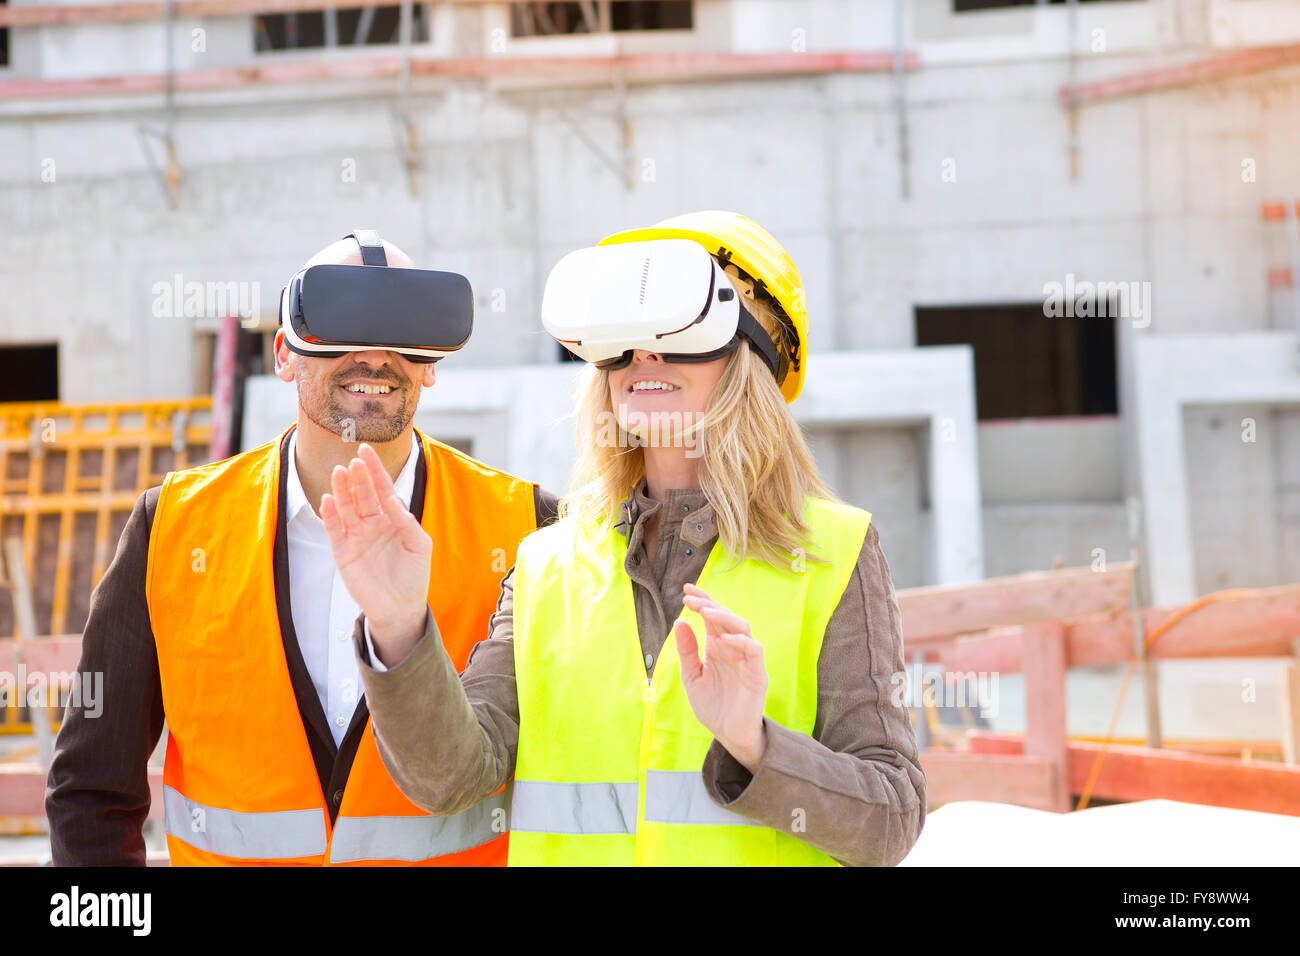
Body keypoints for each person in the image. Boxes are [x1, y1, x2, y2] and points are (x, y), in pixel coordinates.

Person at [333, 212, 926, 866]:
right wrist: (396, 629)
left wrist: (756, 745)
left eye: (678, 332)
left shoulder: (831, 552)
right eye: (627, 337)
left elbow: (891, 820)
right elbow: (451, 778)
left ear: (751, 354)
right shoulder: (548, 561)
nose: (645, 355)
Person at [45, 230, 557, 866]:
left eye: (401, 330)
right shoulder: (173, 529)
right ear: (285, 354)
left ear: (431, 362)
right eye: (342, 326)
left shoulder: (528, 529)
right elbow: (91, 791)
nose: (374, 356)